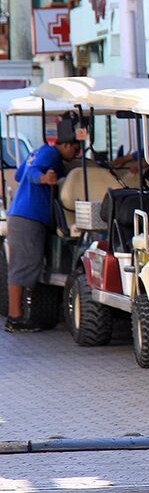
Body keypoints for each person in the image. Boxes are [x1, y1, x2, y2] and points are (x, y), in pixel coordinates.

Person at [5, 118, 81, 332]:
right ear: (65, 145)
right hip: (28, 217)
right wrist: (43, 179)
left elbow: (19, 174)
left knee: (27, 265)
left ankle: (20, 315)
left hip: (23, 214)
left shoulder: (39, 151)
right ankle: (15, 317)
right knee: (23, 266)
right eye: (75, 149)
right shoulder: (51, 154)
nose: (76, 154)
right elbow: (29, 174)